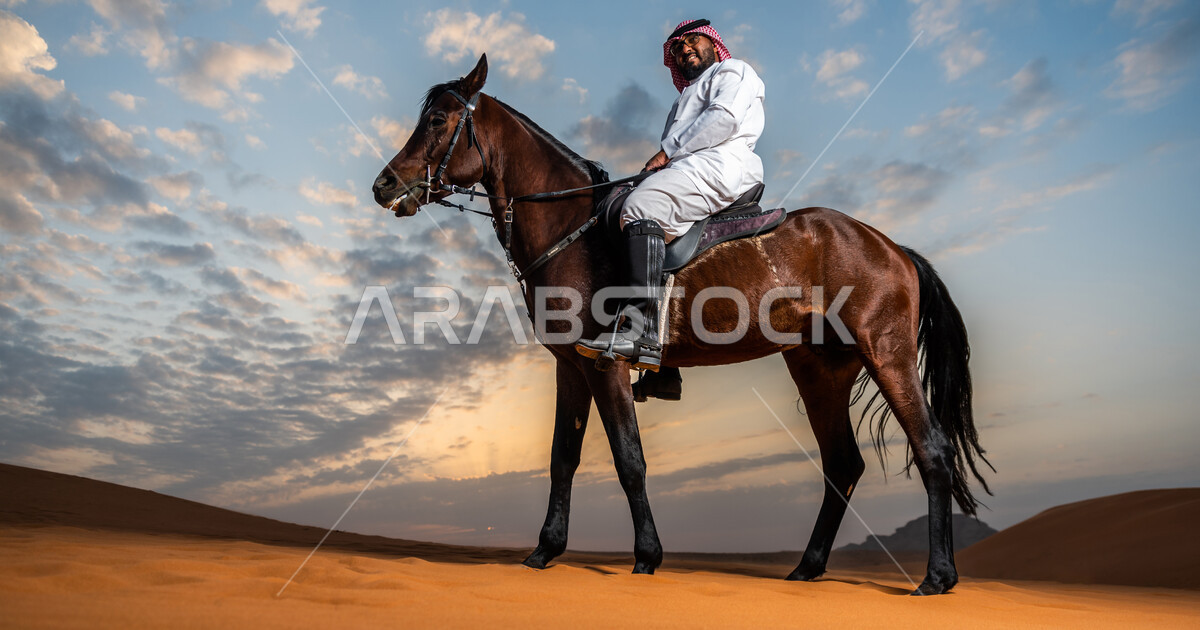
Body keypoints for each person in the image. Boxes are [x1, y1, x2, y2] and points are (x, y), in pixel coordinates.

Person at [575, 18, 766, 374]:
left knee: (640, 208)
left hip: (722, 164)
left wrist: (665, 154)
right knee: (619, 208)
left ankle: (640, 331)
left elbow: (723, 119)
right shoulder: (681, 102)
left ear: (713, 43)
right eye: (678, 48)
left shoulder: (733, 71)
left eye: (693, 41)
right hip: (691, 169)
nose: (685, 49)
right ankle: (665, 370)